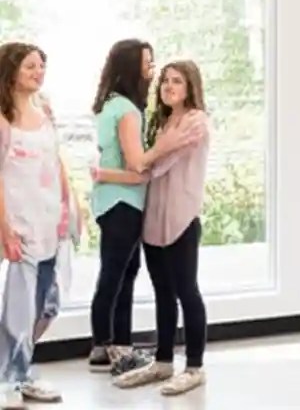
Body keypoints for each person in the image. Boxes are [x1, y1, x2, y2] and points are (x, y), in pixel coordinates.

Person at [87, 40, 198, 376]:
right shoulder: (127, 110)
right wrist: (163, 147)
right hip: (123, 202)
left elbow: (117, 161)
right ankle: (110, 346)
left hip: (113, 200)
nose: (153, 71)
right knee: (115, 277)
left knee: (122, 274)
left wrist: (104, 173)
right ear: (131, 66)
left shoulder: (109, 104)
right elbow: (138, 166)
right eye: (148, 64)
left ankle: (115, 345)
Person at [109, 61, 209, 396]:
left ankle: (194, 366)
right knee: (162, 293)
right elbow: (148, 164)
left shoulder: (196, 122)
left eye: (176, 81)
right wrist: (143, 159)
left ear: (190, 86)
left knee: (187, 292)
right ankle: (163, 361)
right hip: (154, 220)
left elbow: (155, 164)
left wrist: (143, 158)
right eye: (165, 80)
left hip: (181, 219)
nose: (168, 86)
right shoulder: (162, 122)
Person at [0, 43, 79, 408]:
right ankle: (10, 380)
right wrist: (5, 227)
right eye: (31, 66)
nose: (38, 71)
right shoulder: (2, 120)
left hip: (52, 222)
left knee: (48, 305)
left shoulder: (45, 111)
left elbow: (57, 162)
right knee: (19, 309)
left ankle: (20, 369)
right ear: (11, 71)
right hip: (21, 225)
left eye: (42, 66)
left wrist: (69, 207)